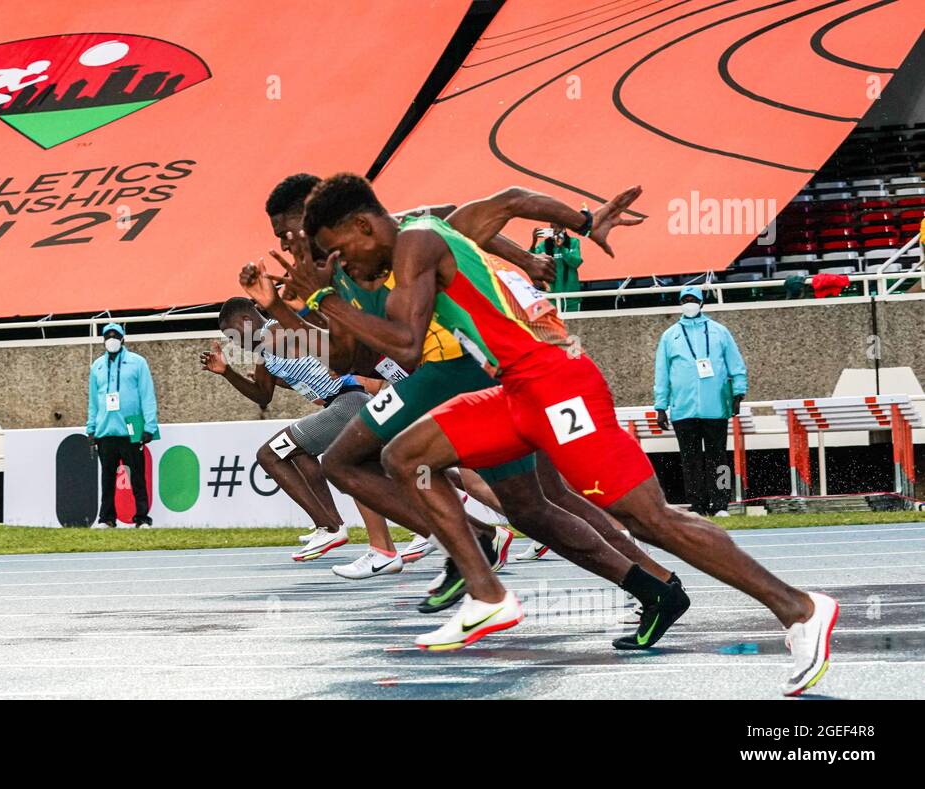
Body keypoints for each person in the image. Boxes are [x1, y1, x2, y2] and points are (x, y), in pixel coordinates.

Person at [294, 174, 834, 695]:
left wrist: (325, 300)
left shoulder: (416, 240)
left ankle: (799, 608)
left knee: (647, 518)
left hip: (555, 385)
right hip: (516, 394)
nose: (338, 263)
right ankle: (487, 595)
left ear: (363, 226)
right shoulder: (436, 229)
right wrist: (583, 219)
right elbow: (512, 198)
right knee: (406, 455)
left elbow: (406, 346)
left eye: (336, 249)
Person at [280, 176, 683, 635]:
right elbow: (356, 358)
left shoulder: (405, 238)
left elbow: (487, 211)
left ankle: (473, 543)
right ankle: (655, 587)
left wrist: (537, 251)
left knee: (350, 460)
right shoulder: (337, 273)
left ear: (316, 224)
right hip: (452, 377)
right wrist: (289, 309)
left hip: (457, 371)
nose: (283, 243)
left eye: (286, 231)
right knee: (533, 509)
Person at [203, 296, 393, 568]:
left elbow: (317, 335)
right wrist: (226, 372)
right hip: (340, 404)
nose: (234, 342)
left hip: (349, 401)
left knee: (269, 455)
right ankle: (339, 528)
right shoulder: (265, 352)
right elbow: (262, 396)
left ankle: (330, 527)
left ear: (246, 321)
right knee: (309, 456)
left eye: (233, 334)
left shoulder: (278, 331)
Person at [654, 285, 748, 517]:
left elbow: (736, 365)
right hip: (683, 409)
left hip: (715, 406)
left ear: (702, 303)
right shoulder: (670, 335)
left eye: (693, 299)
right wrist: (660, 406)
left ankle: (721, 504)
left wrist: (738, 393)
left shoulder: (719, 331)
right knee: (690, 458)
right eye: (685, 300)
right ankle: (697, 504)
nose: (689, 303)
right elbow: (662, 373)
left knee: (719, 457)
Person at [86, 322, 158, 528]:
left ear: (123, 339)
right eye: (108, 336)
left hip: (131, 427)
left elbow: (147, 395)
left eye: (115, 336)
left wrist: (149, 427)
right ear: (102, 341)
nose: (112, 340)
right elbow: (93, 400)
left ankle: (142, 517)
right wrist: (91, 428)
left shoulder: (137, 363)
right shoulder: (97, 366)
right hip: (105, 429)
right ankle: (107, 518)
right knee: (107, 478)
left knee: (137, 475)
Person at [531, 223, 583, 312]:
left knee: (573, 324)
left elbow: (576, 263)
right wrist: (534, 242)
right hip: (551, 297)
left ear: (564, 228)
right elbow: (531, 262)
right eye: (552, 227)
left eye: (558, 226)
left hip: (571, 297)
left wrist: (562, 248)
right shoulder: (543, 245)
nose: (555, 230)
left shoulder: (573, 242)